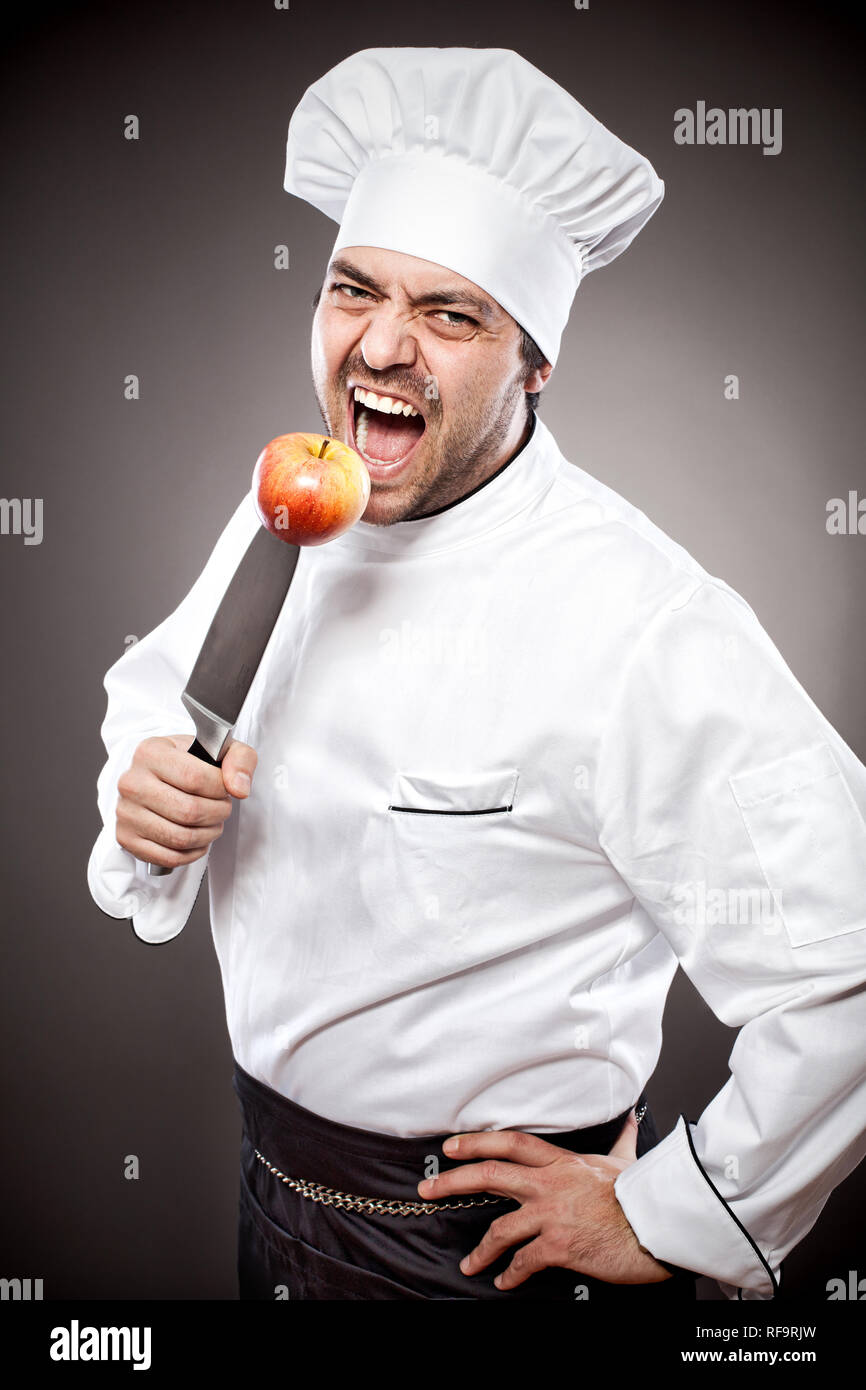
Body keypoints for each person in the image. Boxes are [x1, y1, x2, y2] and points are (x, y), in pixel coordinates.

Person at [87, 47, 866, 1302]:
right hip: (272, 1198)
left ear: (535, 361)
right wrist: (144, 796)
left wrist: (678, 1212)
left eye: (450, 315)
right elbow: (165, 691)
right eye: (354, 291)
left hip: (470, 1258)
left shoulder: (637, 620)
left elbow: (849, 961)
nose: (381, 348)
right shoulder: (287, 505)